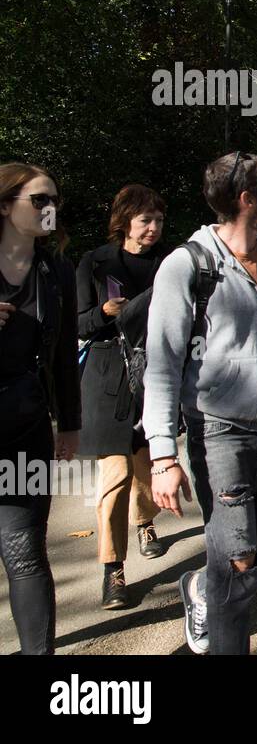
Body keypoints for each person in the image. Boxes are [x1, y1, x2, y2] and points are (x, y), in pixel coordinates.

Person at [144, 151, 257, 655]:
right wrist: (162, 455)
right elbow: (162, 362)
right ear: (247, 199)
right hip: (217, 429)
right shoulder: (188, 264)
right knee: (238, 556)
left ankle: (202, 586)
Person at [76, 184, 170, 612]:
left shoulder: (168, 264)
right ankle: (112, 569)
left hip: (151, 376)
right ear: (125, 222)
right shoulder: (94, 263)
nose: (153, 228)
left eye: (159, 220)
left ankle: (145, 521)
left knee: (147, 465)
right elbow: (78, 324)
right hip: (106, 378)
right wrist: (103, 314)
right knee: (114, 477)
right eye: (145, 220)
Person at [0, 164, 79, 654]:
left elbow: (65, 352)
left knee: (24, 549)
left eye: (54, 200)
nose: (49, 209)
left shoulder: (56, 271)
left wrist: (69, 424)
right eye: (37, 200)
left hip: (22, 427)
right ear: (5, 206)